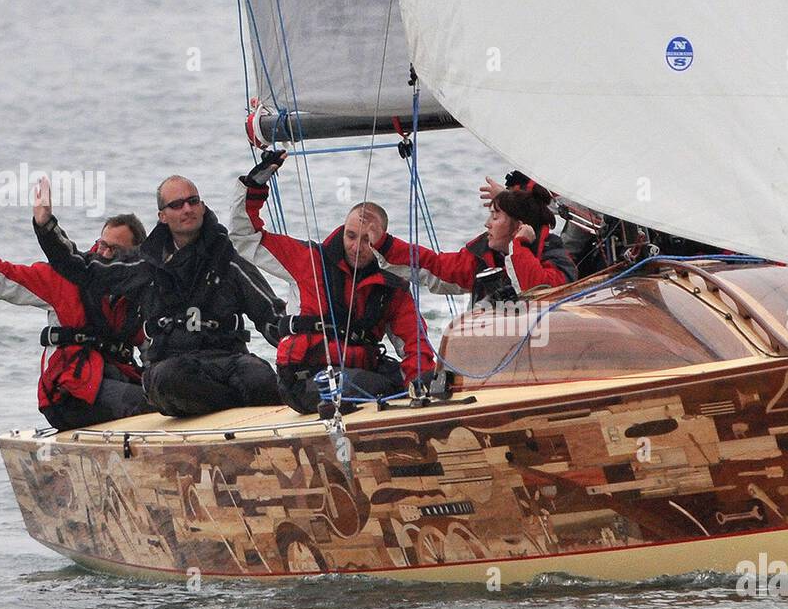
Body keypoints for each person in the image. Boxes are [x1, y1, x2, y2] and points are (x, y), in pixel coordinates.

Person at [32, 175, 289, 418]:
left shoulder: (229, 262)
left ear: (202, 207)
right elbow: (84, 269)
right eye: (177, 205)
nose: (187, 209)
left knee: (260, 377)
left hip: (228, 359)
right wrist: (46, 226)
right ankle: (229, 411)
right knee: (169, 381)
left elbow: (271, 315)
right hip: (171, 367)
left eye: (193, 201)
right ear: (162, 216)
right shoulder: (145, 265)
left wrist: (304, 353)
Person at [229, 150, 436, 413]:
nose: (356, 246)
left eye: (367, 240)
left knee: (413, 382)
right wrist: (254, 187)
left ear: (381, 240)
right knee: (367, 386)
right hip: (304, 378)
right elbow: (246, 237)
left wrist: (422, 380)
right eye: (351, 236)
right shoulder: (307, 260)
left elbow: (412, 341)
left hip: (357, 372)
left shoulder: (391, 285)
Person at [0, 206, 154, 430]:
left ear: (136, 254)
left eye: (115, 250)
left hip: (111, 382)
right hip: (67, 394)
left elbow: (152, 350)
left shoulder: (139, 295)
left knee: (162, 397)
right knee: (145, 403)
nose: (104, 254)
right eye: (103, 245)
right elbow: (5, 278)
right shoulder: (66, 278)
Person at [373, 169, 577, 306]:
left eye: (495, 216)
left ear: (518, 225)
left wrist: (518, 247)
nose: (487, 224)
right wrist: (383, 244)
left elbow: (538, 291)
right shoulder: (484, 259)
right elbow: (434, 265)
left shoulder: (557, 261)